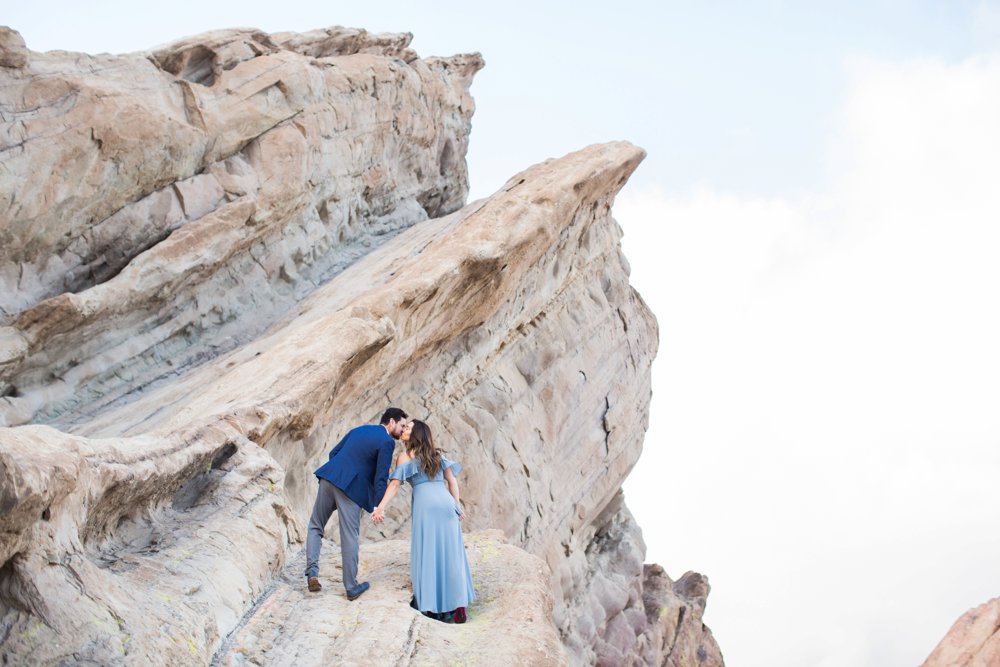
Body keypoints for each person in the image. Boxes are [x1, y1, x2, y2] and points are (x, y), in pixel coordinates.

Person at [371, 419, 475, 623]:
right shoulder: (436, 454)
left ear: (416, 433)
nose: (404, 430)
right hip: (445, 503)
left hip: (425, 507)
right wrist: (457, 505)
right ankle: (459, 607)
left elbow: (394, 485)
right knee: (451, 553)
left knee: (428, 553)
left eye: (408, 428)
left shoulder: (404, 457)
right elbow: (452, 481)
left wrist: (381, 507)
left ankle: (430, 607)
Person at [305, 407, 408, 600]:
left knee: (315, 525)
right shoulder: (386, 441)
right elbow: (381, 476)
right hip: (351, 490)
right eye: (402, 425)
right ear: (391, 422)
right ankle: (351, 587)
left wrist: (340, 472)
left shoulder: (359, 429)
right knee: (350, 535)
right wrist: (378, 505)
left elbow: (333, 453)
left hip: (329, 478)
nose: (403, 430)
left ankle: (312, 573)